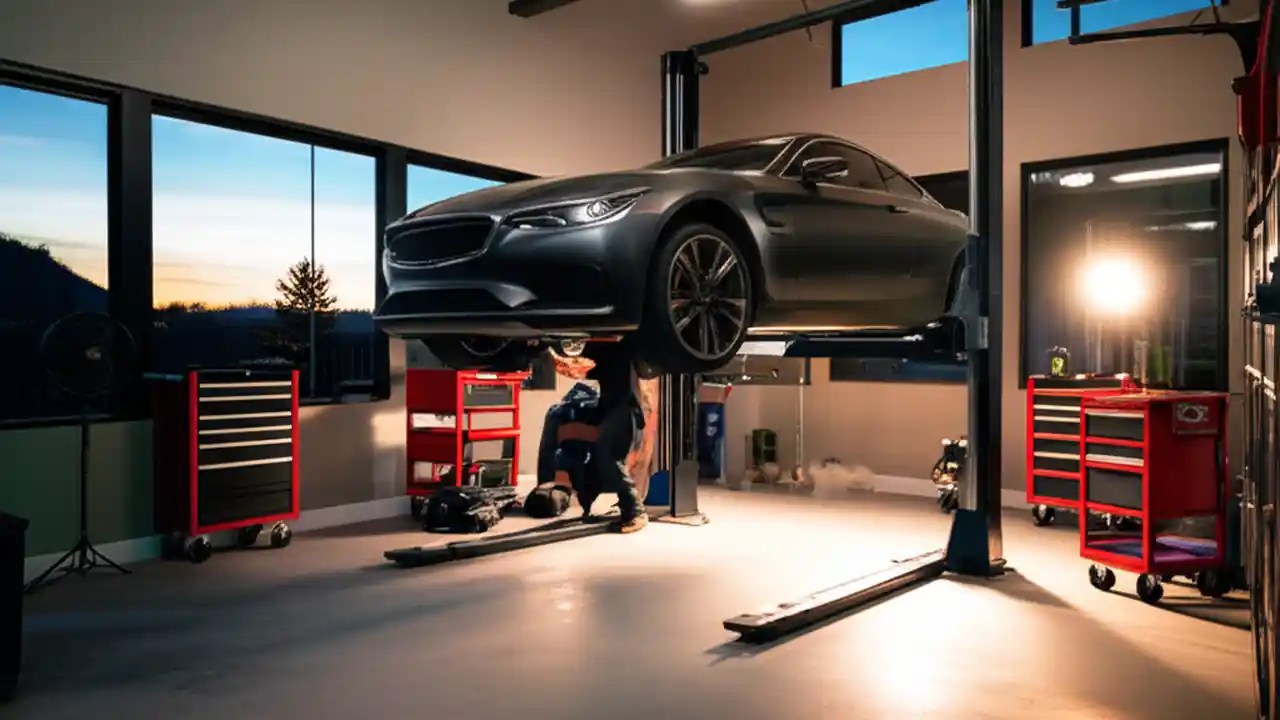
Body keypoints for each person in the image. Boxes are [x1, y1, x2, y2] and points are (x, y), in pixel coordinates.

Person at [525, 339, 659, 534]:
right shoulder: (617, 350)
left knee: (610, 457)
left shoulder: (616, 350)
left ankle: (635, 512)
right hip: (619, 408)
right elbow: (583, 361)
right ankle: (614, 507)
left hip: (623, 410)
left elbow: (579, 362)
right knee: (604, 456)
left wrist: (550, 348)